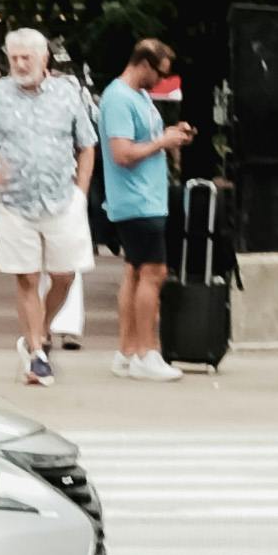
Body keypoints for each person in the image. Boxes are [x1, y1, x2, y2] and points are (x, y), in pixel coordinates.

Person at [0, 29, 95, 386]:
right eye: (14, 58)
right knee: (26, 277)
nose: (20, 64)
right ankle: (37, 354)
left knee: (65, 275)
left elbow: (87, 145)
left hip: (61, 198)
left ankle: (38, 330)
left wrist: (81, 192)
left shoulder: (67, 94)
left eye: (27, 57)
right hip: (13, 203)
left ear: (44, 59)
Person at [96, 36, 192, 378]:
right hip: (138, 200)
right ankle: (146, 353)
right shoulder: (120, 98)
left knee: (135, 272)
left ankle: (127, 352)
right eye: (160, 74)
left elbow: (140, 141)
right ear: (144, 65)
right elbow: (122, 153)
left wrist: (170, 135)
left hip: (142, 198)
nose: (162, 81)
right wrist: (162, 142)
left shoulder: (137, 96)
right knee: (154, 273)